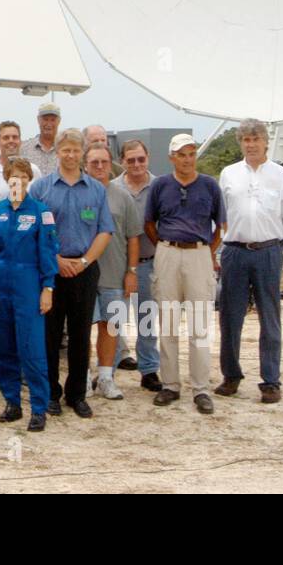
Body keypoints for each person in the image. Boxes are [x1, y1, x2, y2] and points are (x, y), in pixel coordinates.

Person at [216, 119, 283, 404]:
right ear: (240, 143)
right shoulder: (228, 174)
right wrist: (213, 253)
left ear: (266, 141)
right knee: (230, 318)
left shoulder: (281, 176)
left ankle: (270, 381)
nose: (251, 144)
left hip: (268, 252)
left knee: (270, 317)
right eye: (245, 139)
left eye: (255, 138)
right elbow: (220, 217)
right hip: (235, 252)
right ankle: (231, 376)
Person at [30, 128, 112, 418]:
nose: (70, 154)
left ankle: (76, 394)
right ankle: (50, 393)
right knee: (50, 335)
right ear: (58, 153)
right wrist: (55, 259)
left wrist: (85, 261)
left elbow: (104, 231)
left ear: (82, 153)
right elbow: (33, 231)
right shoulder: (41, 188)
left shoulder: (97, 189)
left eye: (76, 150)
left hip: (85, 269)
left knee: (80, 335)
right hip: (51, 270)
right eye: (65, 149)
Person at [144, 133, 225, 414]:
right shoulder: (160, 186)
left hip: (200, 254)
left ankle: (201, 388)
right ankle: (170, 385)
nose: (187, 159)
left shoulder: (210, 186)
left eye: (191, 153)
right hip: (167, 252)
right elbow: (149, 223)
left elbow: (220, 226)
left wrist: (206, 251)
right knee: (167, 323)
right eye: (181, 154)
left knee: (200, 326)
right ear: (171, 158)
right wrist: (167, 247)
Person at [0, 158, 57, 432]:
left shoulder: (40, 212)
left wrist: (47, 288)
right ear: (6, 179)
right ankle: (12, 403)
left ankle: (39, 407)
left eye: (24, 177)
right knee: (3, 348)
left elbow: (48, 252)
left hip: (29, 286)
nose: (19, 182)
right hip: (0, 284)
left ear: (29, 180)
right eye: (14, 177)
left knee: (32, 349)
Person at [84, 144, 140, 402]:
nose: (99, 166)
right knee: (81, 328)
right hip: (82, 274)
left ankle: (106, 377)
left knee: (111, 327)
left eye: (103, 162)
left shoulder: (123, 196)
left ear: (111, 164)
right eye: (94, 162)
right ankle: (82, 377)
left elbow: (133, 237)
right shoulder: (79, 192)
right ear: (86, 164)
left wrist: (131, 272)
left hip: (114, 274)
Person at [115, 139, 162, 391]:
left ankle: (149, 369)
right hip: (117, 264)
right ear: (122, 161)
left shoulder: (161, 186)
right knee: (113, 318)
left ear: (148, 158)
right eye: (130, 159)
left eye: (140, 159)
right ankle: (108, 369)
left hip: (148, 262)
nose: (136, 164)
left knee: (146, 318)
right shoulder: (112, 188)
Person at [0, 121, 42, 210]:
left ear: (20, 141)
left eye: (15, 137)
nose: (11, 141)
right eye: (6, 138)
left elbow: (39, 202)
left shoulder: (33, 170)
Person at [21, 103, 62, 176]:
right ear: (38, 120)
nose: (49, 124)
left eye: (53, 120)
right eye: (45, 119)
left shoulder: (65, 150)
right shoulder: (24, 148)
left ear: (59, 121)